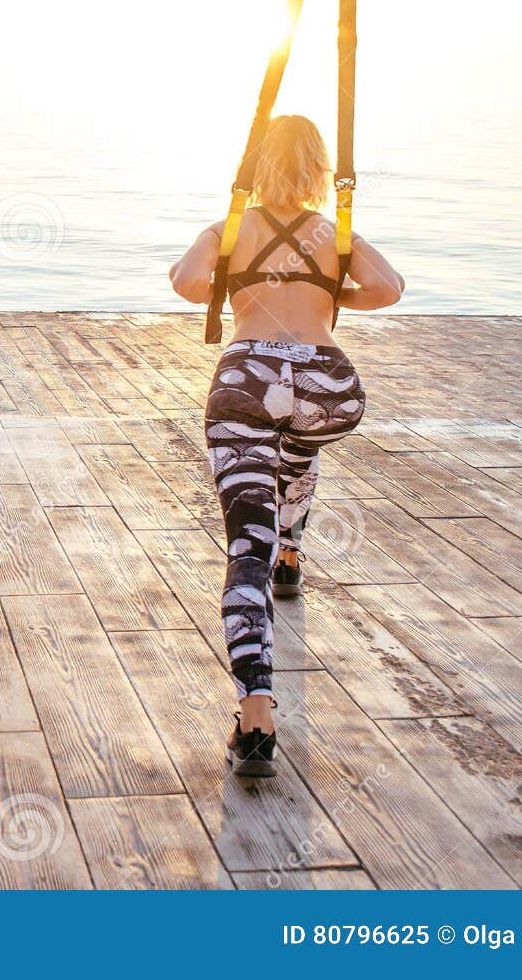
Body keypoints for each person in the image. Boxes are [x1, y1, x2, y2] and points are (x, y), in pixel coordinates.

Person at [168, 114, 403, 777]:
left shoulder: (232, 228)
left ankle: (256, 719)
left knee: (247, 548)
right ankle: (293, 549)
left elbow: (186, 283)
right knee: (298, 442)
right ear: (321, 171)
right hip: (329, 387)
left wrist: (229, 255)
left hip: (249, 378)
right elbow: (389, 289)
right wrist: (329, 287)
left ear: (255, 167)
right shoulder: (335, 233)